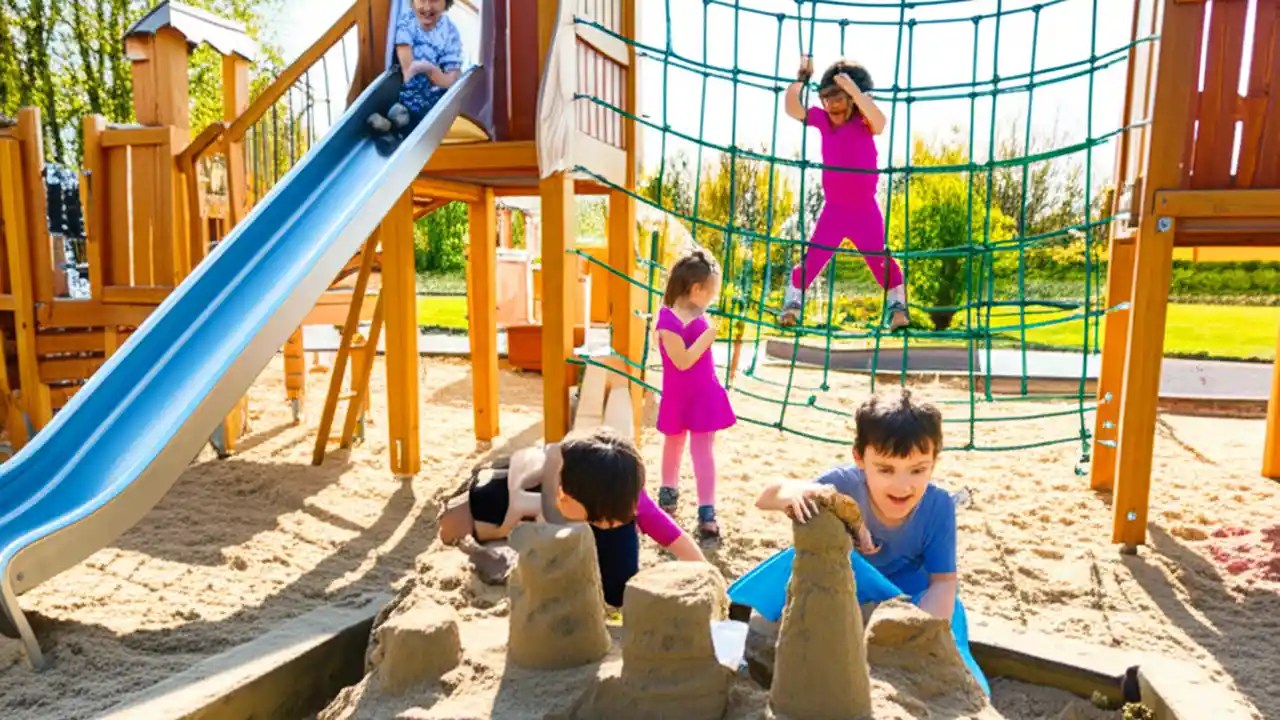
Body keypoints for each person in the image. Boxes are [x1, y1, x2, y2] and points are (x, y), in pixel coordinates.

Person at [727, 387, 990, 695]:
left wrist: (918, 630)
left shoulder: (939, 505)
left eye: (918, 470)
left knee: (965, 673)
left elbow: (943, 582)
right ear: (860, 458)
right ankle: (743, 649)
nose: (902, 485)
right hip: (855, 585)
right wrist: (800, 493)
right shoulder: (844, 484)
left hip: (909, 593)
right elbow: (767, 496)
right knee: (799, 558)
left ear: (934, 461)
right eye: (886, 469)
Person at [439, 429, 706, 606]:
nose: (612, 523)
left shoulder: (623, 498)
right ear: (565, 494)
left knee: (616, 595)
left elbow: (678, 541)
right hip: (534, 508)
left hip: (582, 506)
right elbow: (448, 528)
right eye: (607, 518)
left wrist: (709, 577)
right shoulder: (519, 490)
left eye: (619, 517)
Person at [782, 56, 908, 331]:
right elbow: (793, 109)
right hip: (835, 210)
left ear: (854, 98)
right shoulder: (824, 122)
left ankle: (897, 307)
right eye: (826, 98)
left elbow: (881, 121)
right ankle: (792, 305)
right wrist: (800, 80)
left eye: (839, 98)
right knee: (812, 259)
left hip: (864, 210)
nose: (831, 105)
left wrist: (855, 91)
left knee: (880, 260)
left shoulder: (863, 122)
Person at [654, 248, 737, 542]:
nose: (712, 298)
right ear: (695, 288)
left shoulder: (699, 314)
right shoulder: (668, 319)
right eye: (711, 291)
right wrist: (708, 336)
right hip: (678, 396)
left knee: (703, 453)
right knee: (673, 446)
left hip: (703, 396)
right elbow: (683, 361)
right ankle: (668, 494)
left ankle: (706, 510)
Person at [367, 0, 463, 135]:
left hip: (435, 104)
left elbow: (452, 81)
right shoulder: (407, 23)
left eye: (434, 0)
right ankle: (393, 125)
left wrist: (429, 69)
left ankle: (396, 130)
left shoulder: (450, 31)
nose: (427, 7)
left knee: (423, 119)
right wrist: (434, 74)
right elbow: (409, 72)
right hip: (407, 97)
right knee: (401, 110)